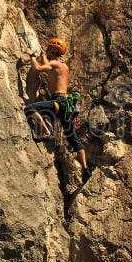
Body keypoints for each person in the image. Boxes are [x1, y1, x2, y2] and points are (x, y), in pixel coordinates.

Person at [23, 37, 91, 182]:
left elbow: (38, 69)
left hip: (58, 102)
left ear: (53, 50)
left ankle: (46, 132)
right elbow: (50, 70)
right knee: (74, 139)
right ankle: (85, 169)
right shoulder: (63, 66)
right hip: (66, 105)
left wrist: (32, 55)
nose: (47, 50)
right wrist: (42, 56)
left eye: (49, 49)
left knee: (30, 108)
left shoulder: (54, 63)